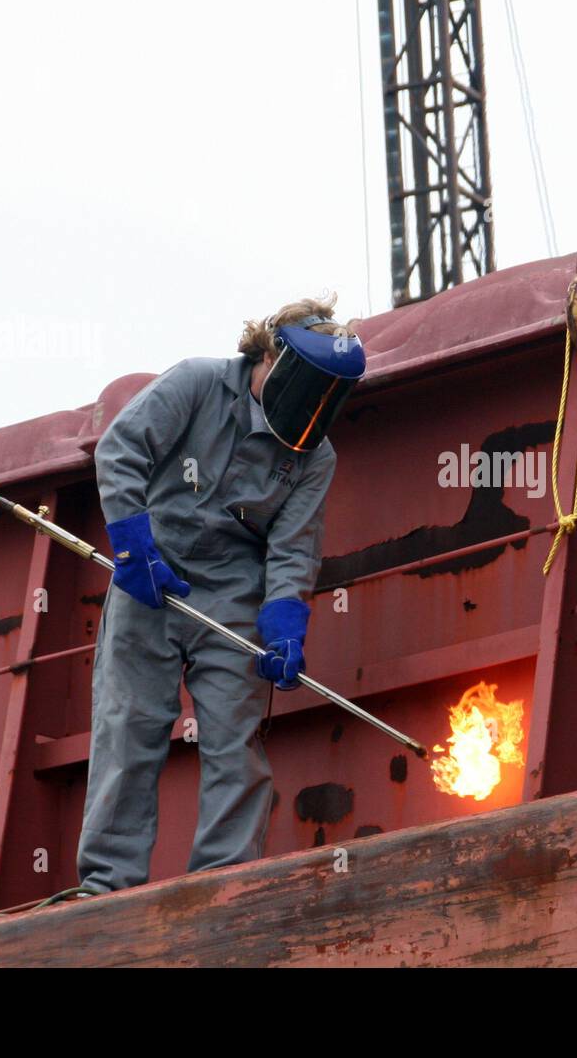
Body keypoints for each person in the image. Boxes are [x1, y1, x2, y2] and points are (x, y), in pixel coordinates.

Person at [76, 295, 365, 891]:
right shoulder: (196, 383)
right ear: (270, 355)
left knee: (234, 741)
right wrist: (132, 544)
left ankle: (225, 884)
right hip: (152, 577)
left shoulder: (315, 456)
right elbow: (120, 450)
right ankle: (106, 887)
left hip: (232, 596)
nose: (312, 404)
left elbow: (293, 547)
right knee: (129, 728)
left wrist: (285, 621)